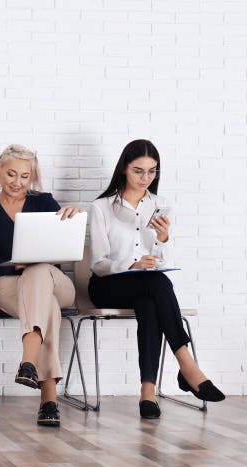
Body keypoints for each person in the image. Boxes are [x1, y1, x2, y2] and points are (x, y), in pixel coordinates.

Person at [88, 139, 224, 418]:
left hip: (147, 288)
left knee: (150, 303)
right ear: (124, 168)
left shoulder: (161, 205)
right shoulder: (102, 207)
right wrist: (132, 264)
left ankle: (147, 393)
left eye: (152, 171)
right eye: (138, 171)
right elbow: (98, 264)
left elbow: (163, 263)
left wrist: (162, 240)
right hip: (107, 286)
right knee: (158, 284)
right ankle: (186, 364)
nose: (145, 178)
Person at [0, 144, 82, 427]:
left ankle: (29, 361)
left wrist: (71, 218)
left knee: (39, 272)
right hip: (5, 285)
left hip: (55, 283)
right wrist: (17, 266)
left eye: (25, 176)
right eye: (11, 174)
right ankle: (49, 401)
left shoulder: (45, 202)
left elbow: (63, 248)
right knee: (46, 306)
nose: (18, 182)